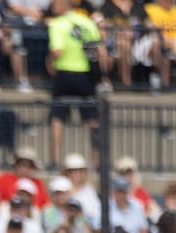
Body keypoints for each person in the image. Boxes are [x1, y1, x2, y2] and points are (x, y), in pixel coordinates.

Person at [46, 0, 103, 163]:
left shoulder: (57, 24)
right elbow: (97, 51)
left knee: (57, 117)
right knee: (91, 119)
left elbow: (57, 51)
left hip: (64, 73)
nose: (53, 5)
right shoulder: (87, 23)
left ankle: (55, 160)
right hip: (85, 75)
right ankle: (96, 161)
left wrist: (48, 61)